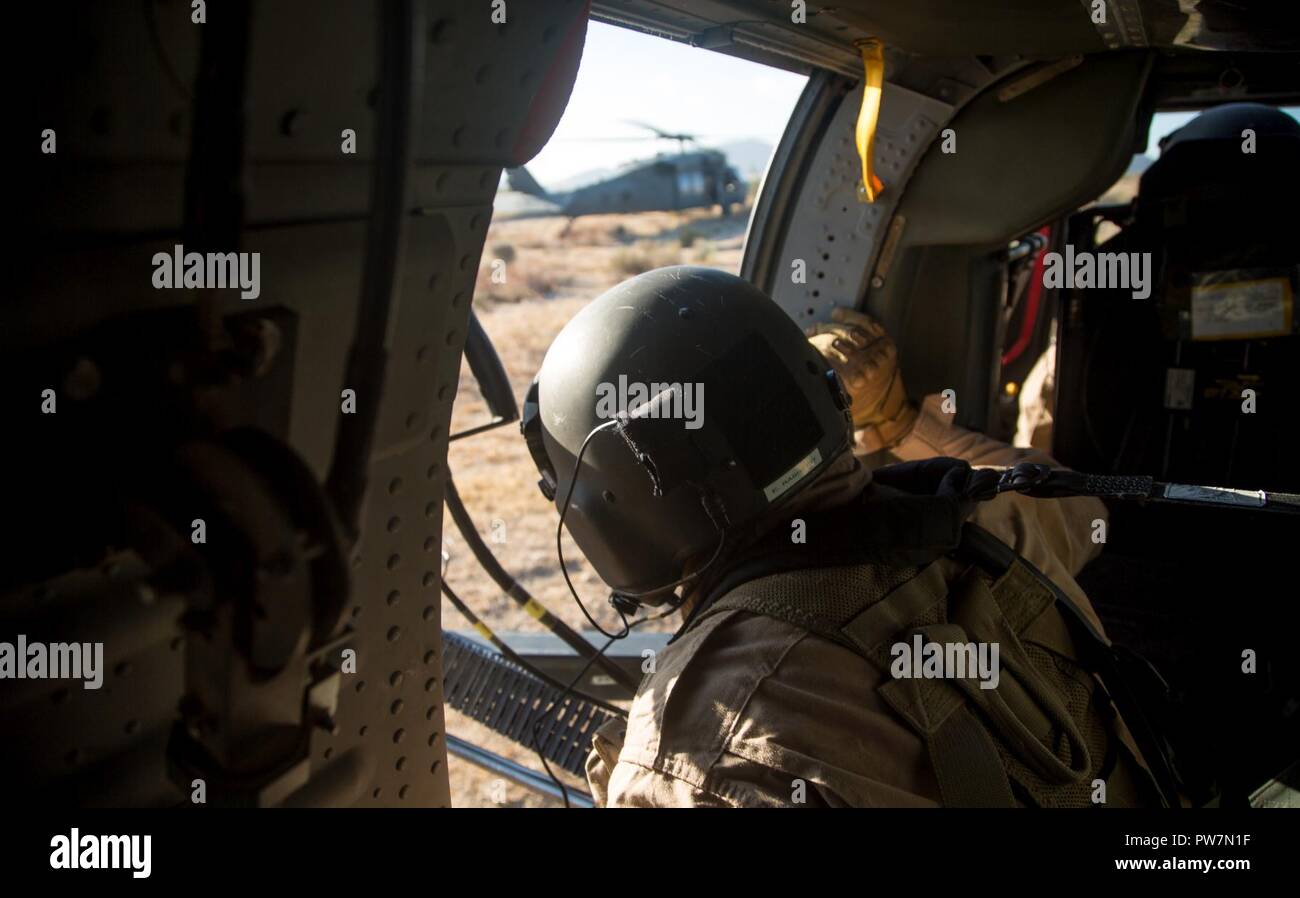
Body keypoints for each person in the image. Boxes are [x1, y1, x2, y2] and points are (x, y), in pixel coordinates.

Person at [522, 267, 1169, 807]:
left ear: (607, 517)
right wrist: (903, 424)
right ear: (820, 393)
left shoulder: (698, 747)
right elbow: (1081, 504)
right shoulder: (982, 525)